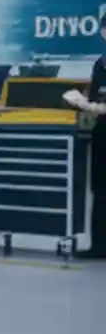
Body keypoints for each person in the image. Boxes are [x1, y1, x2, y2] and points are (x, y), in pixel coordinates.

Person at [64, 15, 106, 260]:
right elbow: (92, 95)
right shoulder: (100, 64)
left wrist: (94, 107)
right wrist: (81, 102)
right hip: (102, 132)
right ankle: (99, 245)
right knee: (100, 190)